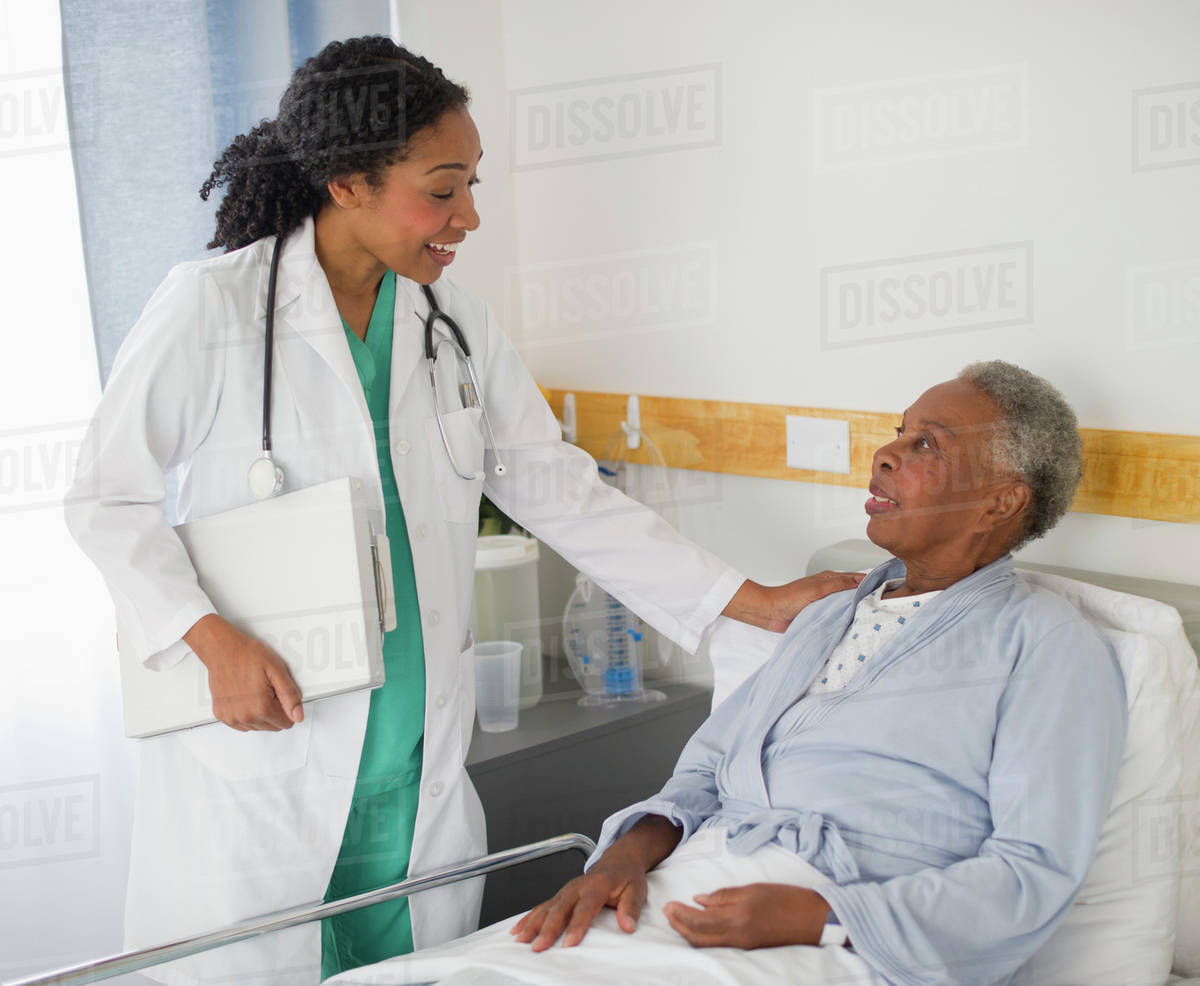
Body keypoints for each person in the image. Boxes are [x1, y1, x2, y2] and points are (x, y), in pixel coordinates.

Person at [63, 36, 855, 986]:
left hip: (415, 749)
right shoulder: (215, 309)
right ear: (347, 181)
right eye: (443, 190)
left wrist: (747, 599)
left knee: (409, 965)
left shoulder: (455, 325)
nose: (468, 217)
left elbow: (557, 489)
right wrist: (206, 638)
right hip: (268, 741)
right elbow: (104, 498)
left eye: (473, 185)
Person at [323, 362, 1128, 986]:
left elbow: (1031, 874)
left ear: (1000, 503)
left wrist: (821, 916)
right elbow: (706, 770)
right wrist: (623, 858)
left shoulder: (1047, 645)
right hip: (688, 886)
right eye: (898, 433)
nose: (885, 455)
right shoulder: (830, 613)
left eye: (928, 446)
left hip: (854, 939)